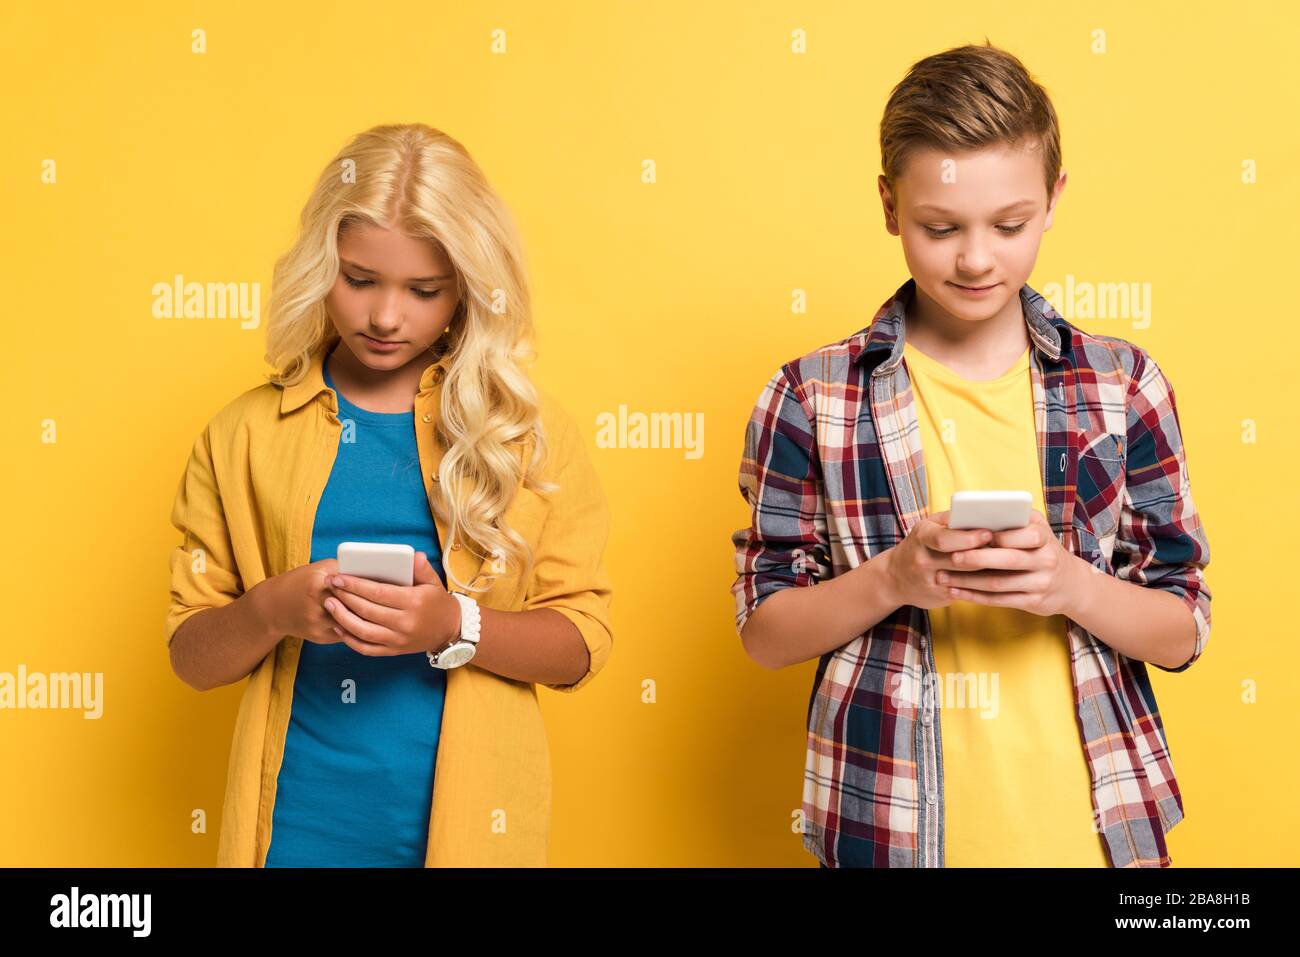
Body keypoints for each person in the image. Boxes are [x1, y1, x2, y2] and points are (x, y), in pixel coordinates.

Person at [730, 43, 1211, 868]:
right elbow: (764, 632)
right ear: (889, 205)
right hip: (887, 833)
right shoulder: (812, 398)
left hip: (1100, 835)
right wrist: (894, 578)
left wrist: (1068, 582)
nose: (977, 257)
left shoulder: (1123, 385)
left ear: (1055, 198)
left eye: (1010, 224)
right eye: (940, 227)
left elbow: (1183, 629)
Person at [166, 122, 613, 867]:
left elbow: (582, 646)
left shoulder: (527, 433)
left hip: (474, 835)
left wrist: (452, 622)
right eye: (360, 278)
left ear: (468, 285)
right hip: (292, 831)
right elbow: (191, 656)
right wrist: (275, 607)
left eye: (423, 290)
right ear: (321, 266)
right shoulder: (243, 433)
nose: (385, 316)